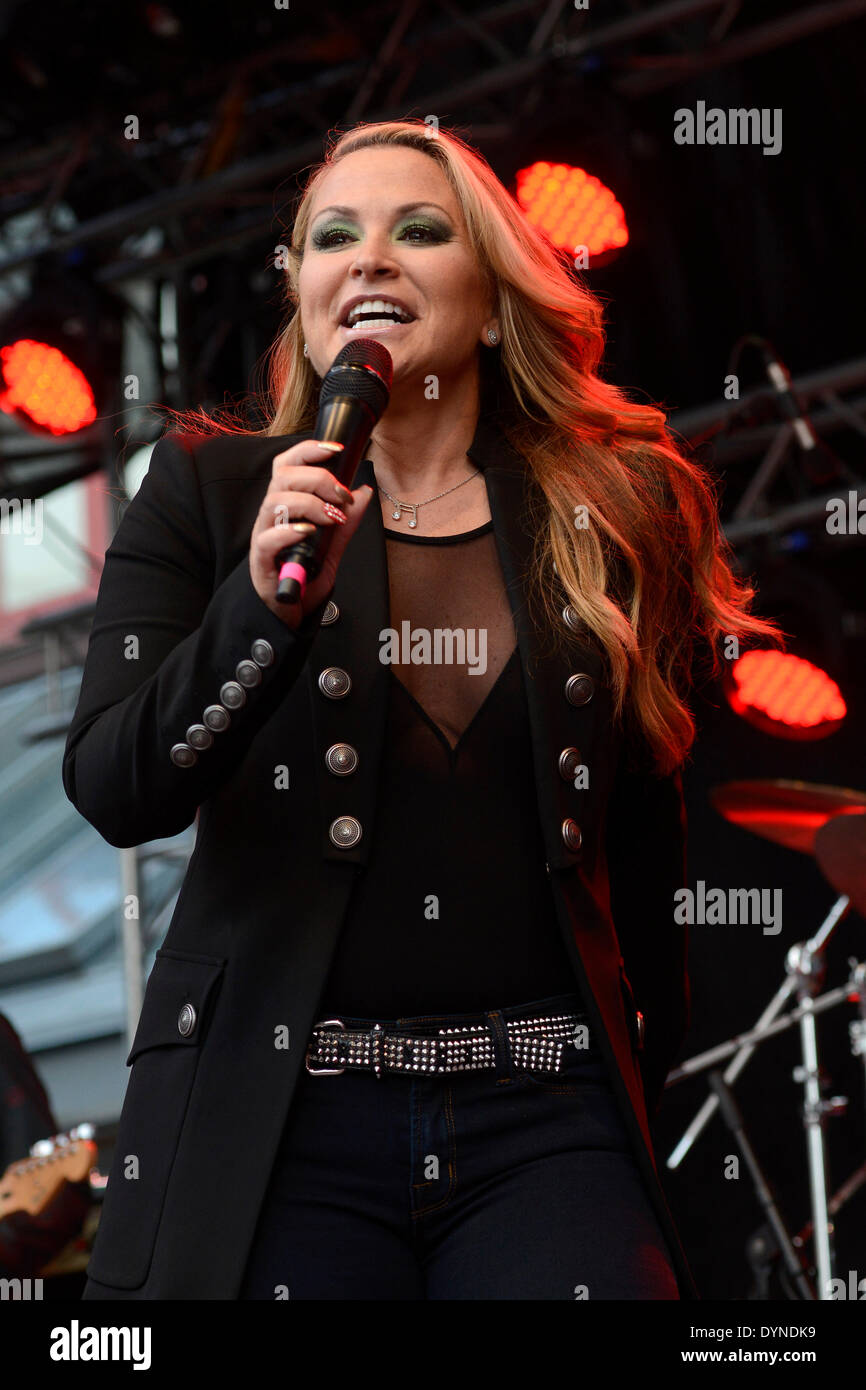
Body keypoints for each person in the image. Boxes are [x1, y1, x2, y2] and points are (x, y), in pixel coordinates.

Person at [63, 118, 777, 1301]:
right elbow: (116, 786)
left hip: (542, 1116)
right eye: (333, 235)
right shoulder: (205, 488)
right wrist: (256, 609)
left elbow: (644, 854)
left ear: (492, 305)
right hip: (280, 1116)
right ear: (303, 298)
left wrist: (630, 1091)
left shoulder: (614, 510)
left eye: (420, 230)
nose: (370, 257)